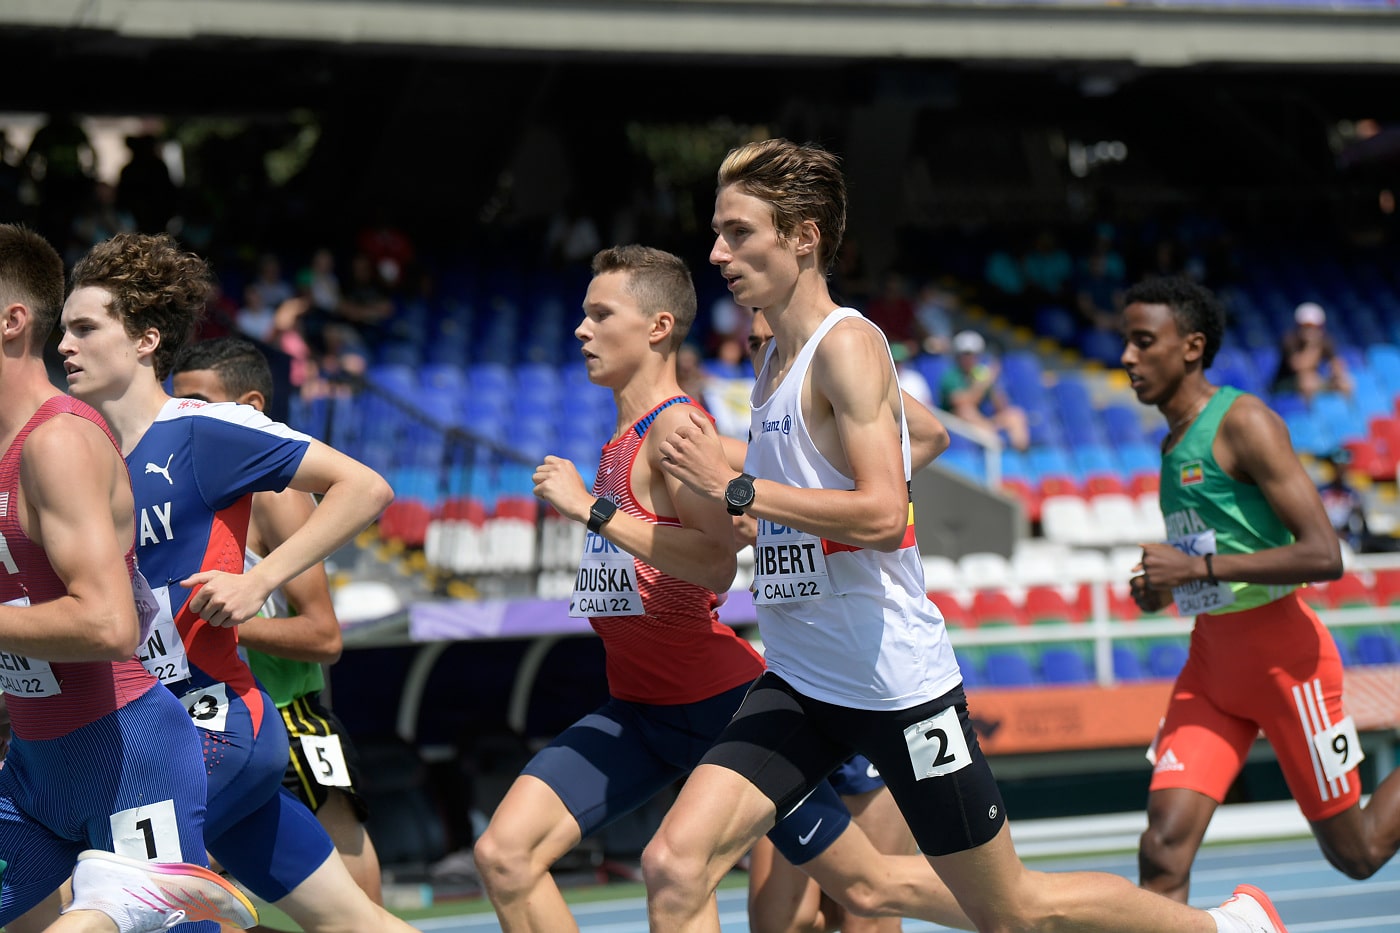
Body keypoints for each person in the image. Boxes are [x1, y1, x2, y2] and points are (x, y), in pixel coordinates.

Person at [646, 137, 1289, 933]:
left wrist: (740, 484)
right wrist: (767, 494)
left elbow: (883, 517)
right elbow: (927, 435)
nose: (716, 252)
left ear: (803, 234)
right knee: (675, 863)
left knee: (1012, 911)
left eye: (738, 232)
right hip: (804, 680)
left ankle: (1229, 925)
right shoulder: (772, 351)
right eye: (717, 231)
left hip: (896, 687)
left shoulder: (847, 345)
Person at [471, 245, 972, 933]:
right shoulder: (629, 435)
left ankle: (1030, 918)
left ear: (657, 326)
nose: (581, 329)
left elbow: (713, 564)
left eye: (599, 314)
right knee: (505, 853)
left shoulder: (677, 426)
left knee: (863, 890)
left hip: (725, 705)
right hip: (641, 706)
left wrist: (595, 512)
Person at [56, 232, 413, 933]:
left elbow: (364, 486)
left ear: (144, 340)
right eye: (62, 328)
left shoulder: (203, 429)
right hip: (138, 729)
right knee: (355, 920)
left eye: (84, 327)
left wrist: (261, 581)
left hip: (213, 722)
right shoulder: (77, 454)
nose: (63, 344)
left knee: (106, 899)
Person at [0, 223, 255, 933]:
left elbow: (109, 625)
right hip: (33, 769)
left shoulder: (59, 442)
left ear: (12, 320)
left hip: (129, 761)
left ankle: (131, 893)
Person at [1121, 276, 1400, 901]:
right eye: (1126, 343)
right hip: (1211, 672)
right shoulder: (1171, 444)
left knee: (1357, 853)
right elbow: (1217, 558)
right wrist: (1164, 590)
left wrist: (1192, 571)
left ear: (1191, 347)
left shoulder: (1244, 421)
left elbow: (1324, 554)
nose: (1127, 358)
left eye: (1143, 342)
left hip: (1287, 668)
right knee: (1161, 852)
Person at [170, 336, 385, 920]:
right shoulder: (177, 489)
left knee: (355, 910)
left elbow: (324, 636)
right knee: (201, 901)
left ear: (251, 406)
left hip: (290, 716)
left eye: (197, 403)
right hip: (207, 718)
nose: (180, 417)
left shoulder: (279, 497)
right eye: (175, 402)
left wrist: (213, 625)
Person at [937, 329, 1029, 452]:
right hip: (956, 424)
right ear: (958, 356)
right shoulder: (951, 376)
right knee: (966, 411)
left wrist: (993, 384)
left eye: (973, 354)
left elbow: (1002, 406)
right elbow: (961, 403)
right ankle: (996, 447)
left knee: (1015, 415)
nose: (970, 358)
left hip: (982, 422)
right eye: (966, 354)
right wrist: (982, 384)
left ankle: (1018, 458)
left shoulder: (982, 373)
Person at [1270, 301, 1353, 403]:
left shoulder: (1326, 342)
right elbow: (1299, 366)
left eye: (1314, 327)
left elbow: (1335, 362)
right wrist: (1312, 345)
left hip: (1313, 380)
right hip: (1286, 384)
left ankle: (1348, 414)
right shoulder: (1289, 340)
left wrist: (1337, 372)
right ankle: (1311, 415)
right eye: (1306, 326)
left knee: (1344, 383)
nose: (1310, 330)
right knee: (1307, 380)